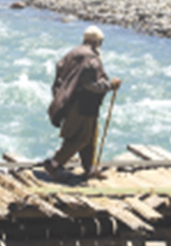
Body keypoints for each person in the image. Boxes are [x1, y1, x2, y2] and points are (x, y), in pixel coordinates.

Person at [43, 26, 120, 178]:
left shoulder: (73, 53)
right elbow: (92, 85)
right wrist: (111, 85)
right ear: (96, 41)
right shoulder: (90, 59)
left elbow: (60, 71)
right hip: (84, 105)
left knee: (90, 136)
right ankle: (53, 163)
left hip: (70, 101)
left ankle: (89, 168)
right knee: (80, 138)